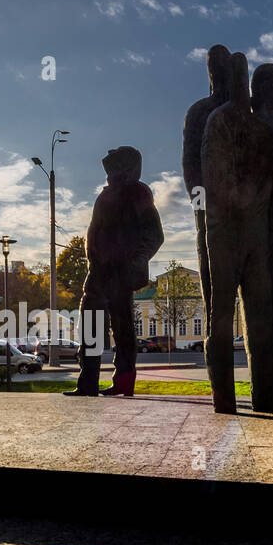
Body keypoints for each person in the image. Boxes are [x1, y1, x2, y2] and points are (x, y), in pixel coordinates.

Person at [64, 146, 164, 398]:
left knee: (123, 330)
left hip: (121, 271)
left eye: (112, 167)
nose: (107, 173)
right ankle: (88, 383)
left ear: (125, 168)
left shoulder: (138, 193)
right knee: (91, 327)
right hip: (98, 272)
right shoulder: (106, 195)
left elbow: (154, 234)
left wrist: (137, 260)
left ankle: (123, 381)